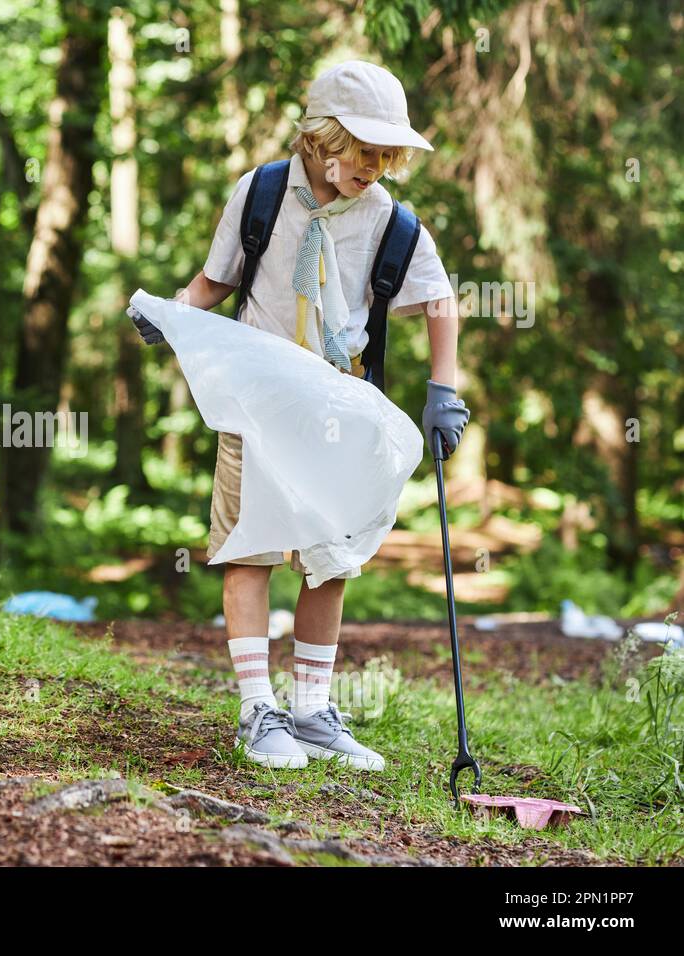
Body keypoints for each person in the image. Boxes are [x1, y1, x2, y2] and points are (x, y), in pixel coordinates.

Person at [130, 60, 470, 771]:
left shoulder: (390, 220)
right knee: (249, 548)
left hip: (337, 407)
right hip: (257, 400)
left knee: (329, 558)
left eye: (388, 156)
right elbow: (217, 279)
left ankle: (313, 711)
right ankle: (259, 710)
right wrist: (173, 314)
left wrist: (444, 387)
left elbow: (439, 299)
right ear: (320, 137)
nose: (376, 168)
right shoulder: (259, 194)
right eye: (364, 151)